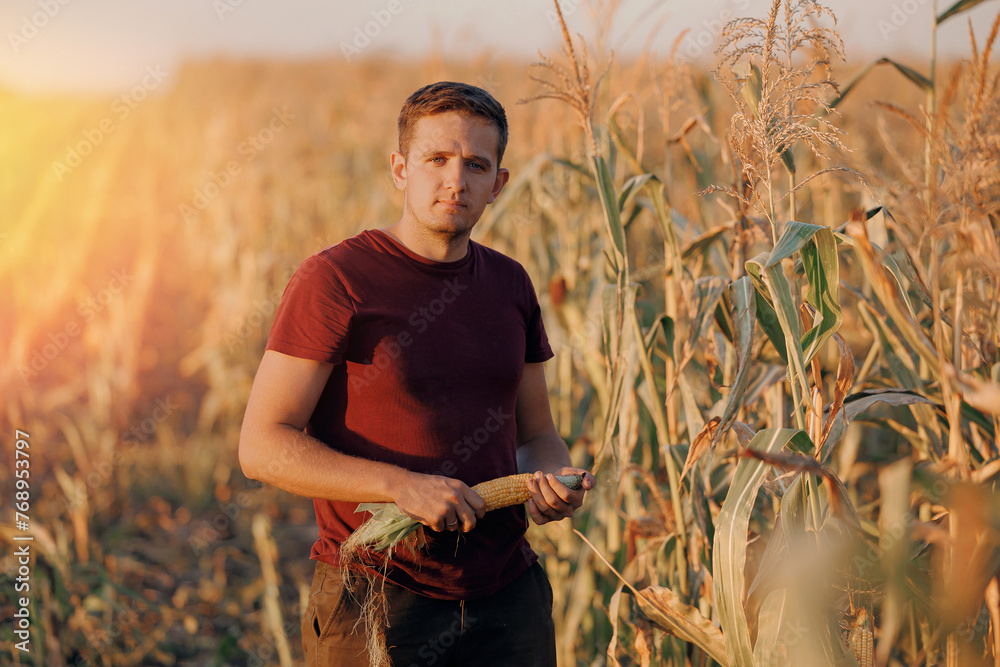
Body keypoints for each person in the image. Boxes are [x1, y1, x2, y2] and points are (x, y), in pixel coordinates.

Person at [238, 81, 595, 667]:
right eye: (437, 159)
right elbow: (262, 446)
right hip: (377, 596)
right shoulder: (336, 281)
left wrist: (551, 479)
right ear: (401, 169)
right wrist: (399, 486)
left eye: (476, 165)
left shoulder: (511, 285)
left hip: (508, 597)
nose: (456, 180)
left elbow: (536, 435)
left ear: (498, 185)